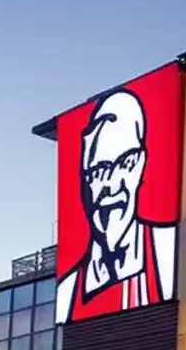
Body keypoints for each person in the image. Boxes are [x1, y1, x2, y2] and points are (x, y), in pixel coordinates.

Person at [56, 89, 175, 322]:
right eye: (99, 171)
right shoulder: (68, 290)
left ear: (141, 165)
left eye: (125, 163)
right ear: (84, 180)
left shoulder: (166, 250)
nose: (112, 185)